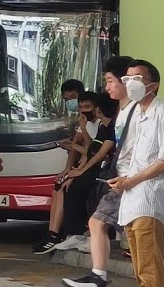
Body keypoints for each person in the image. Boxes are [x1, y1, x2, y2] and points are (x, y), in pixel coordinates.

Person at [64, 55, 137, 287]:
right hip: (122, 180)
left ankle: (100, 277)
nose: (107, 87)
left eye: (110, 81)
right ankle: (98, 276)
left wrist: (131, 177)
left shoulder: (141, 111)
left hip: (134, 181)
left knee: (139, 235)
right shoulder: (123, 112)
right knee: (98, 223)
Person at [37, 90, 116, 254]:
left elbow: (98, 154)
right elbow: (92, 150)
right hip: (92, 168)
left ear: (98, 109)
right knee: (65, 186)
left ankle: (69, 234)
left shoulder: (110, 128)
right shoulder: (103, 126)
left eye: (89, 107)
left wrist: (80, 170)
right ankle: (58, 234)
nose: (86, 111)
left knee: (74, 189)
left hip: (102, 172)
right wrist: (75, 169)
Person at [107, 60, 164, 287]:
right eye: (127, 78)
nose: (130, 83)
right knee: (140, 268)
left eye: (137, 78)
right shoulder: (137, 115)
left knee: (150, 270)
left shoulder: (161, 113)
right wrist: (125, 180)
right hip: (132, 200)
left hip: (149, 200)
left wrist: (131, 181)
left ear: (153, 85)